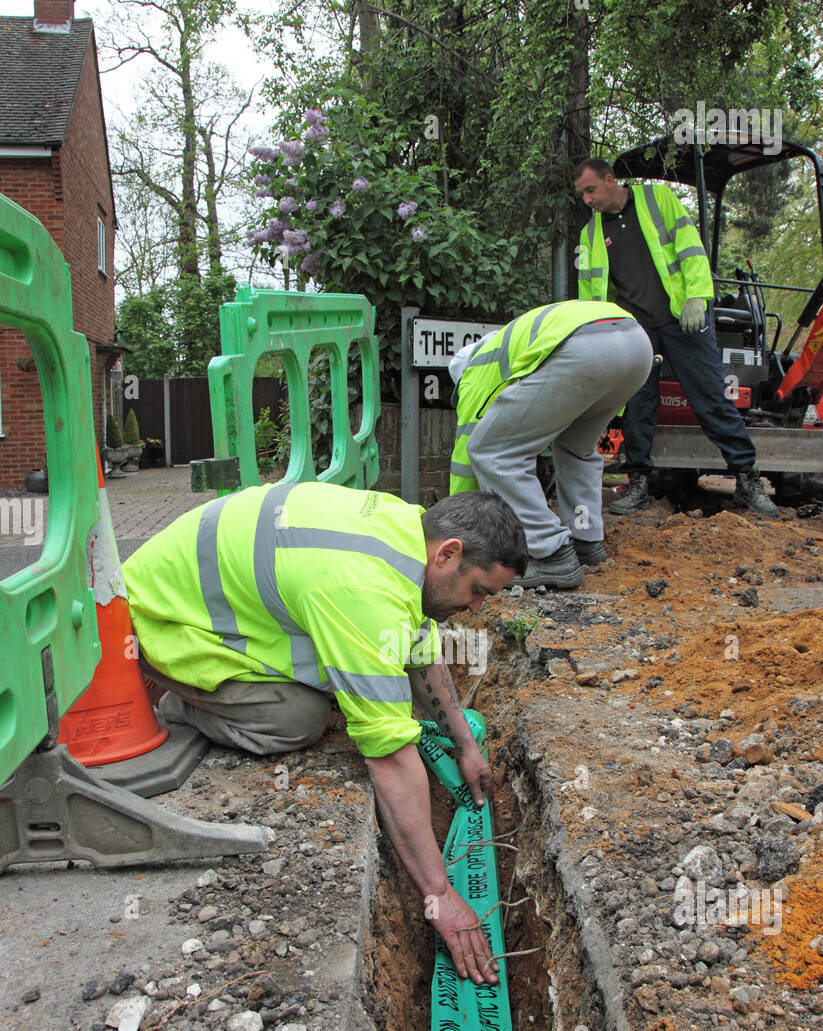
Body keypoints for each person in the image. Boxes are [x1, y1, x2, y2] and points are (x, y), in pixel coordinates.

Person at [123, 481, 528, 988]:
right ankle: (183, 703)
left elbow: (419, 648)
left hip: (203, 598)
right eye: (479, 592)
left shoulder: (404, 531)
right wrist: (439, 895)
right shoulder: (363, 589)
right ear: (449, 554)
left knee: (347, 684)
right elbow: (390, 757)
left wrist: (467, 747)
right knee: (300, 718)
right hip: (160, 619)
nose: (475, 611)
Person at [573, 157, 779, 519]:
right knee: (638, 405)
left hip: (683, 318)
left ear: (609, 180)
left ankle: (748, 480)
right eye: (582, 194)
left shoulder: (658, 200)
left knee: (711, 399)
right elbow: (592, 291)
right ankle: (637, 484)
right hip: (635, 331)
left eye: (590, 190)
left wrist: (697, 295)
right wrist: (599, 333)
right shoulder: (590, 234)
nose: (587, 200)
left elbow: (690, 248)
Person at [448, 299, 653, 589]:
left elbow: (468, 456)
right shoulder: (508, 341)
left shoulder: (477, 370)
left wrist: (458, 531)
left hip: (585, 348)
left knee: (492, 450)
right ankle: (585, 541)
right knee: (576, 448)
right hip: (635, 344)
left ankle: (549, 552)